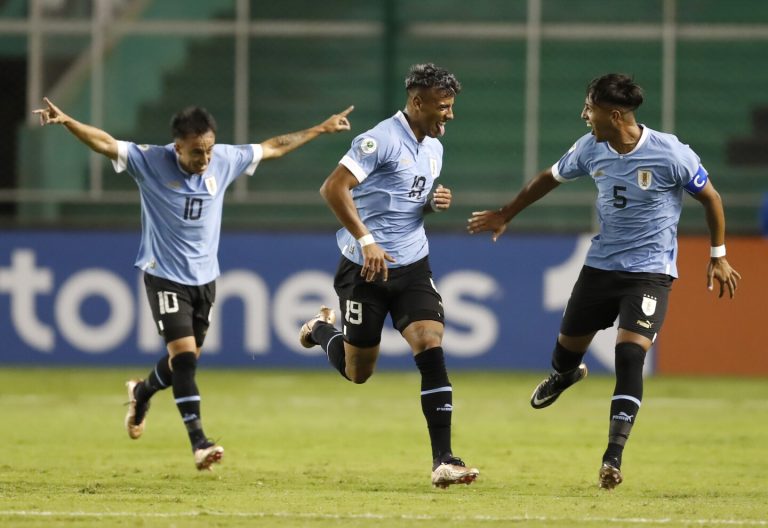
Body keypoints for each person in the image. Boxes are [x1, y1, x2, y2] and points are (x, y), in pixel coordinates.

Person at [34, 97, 353, 470]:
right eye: (196, 152)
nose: (205, 159)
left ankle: (142, 392)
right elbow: (104, 142)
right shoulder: (149, 160)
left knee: (181, 362)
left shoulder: (224, 159)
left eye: (209, 149)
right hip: (164, 275)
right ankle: (200, 443)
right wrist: (68, 121)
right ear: (177, 147)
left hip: (205, 279)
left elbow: (273, 147)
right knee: (185, 359)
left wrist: (320, 129)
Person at [467, 73, 741, 490]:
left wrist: (718, 255)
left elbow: (711, 198)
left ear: (613, 115)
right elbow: (549, 177)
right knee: (564, 354)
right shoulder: (590, 148)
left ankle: (612, 457)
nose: (584, 115)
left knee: (629, 356)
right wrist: (507, 213)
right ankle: (565, 375)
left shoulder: (671, 153)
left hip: (650, 273)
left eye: (589, 108)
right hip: (600, 269)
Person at [298, 63, 479, 489]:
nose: (450, 114)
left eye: (451, 106)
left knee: (429, 341)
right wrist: (366, 241)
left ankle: (444, 460)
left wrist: (432, 203)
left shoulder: (434, 147)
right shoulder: (379, 139)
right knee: (358, 371)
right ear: (417, 102)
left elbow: (406, 201)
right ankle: (321, 329)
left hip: (412, 265)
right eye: (443, 106)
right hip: (365, 269)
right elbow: (333, 188)